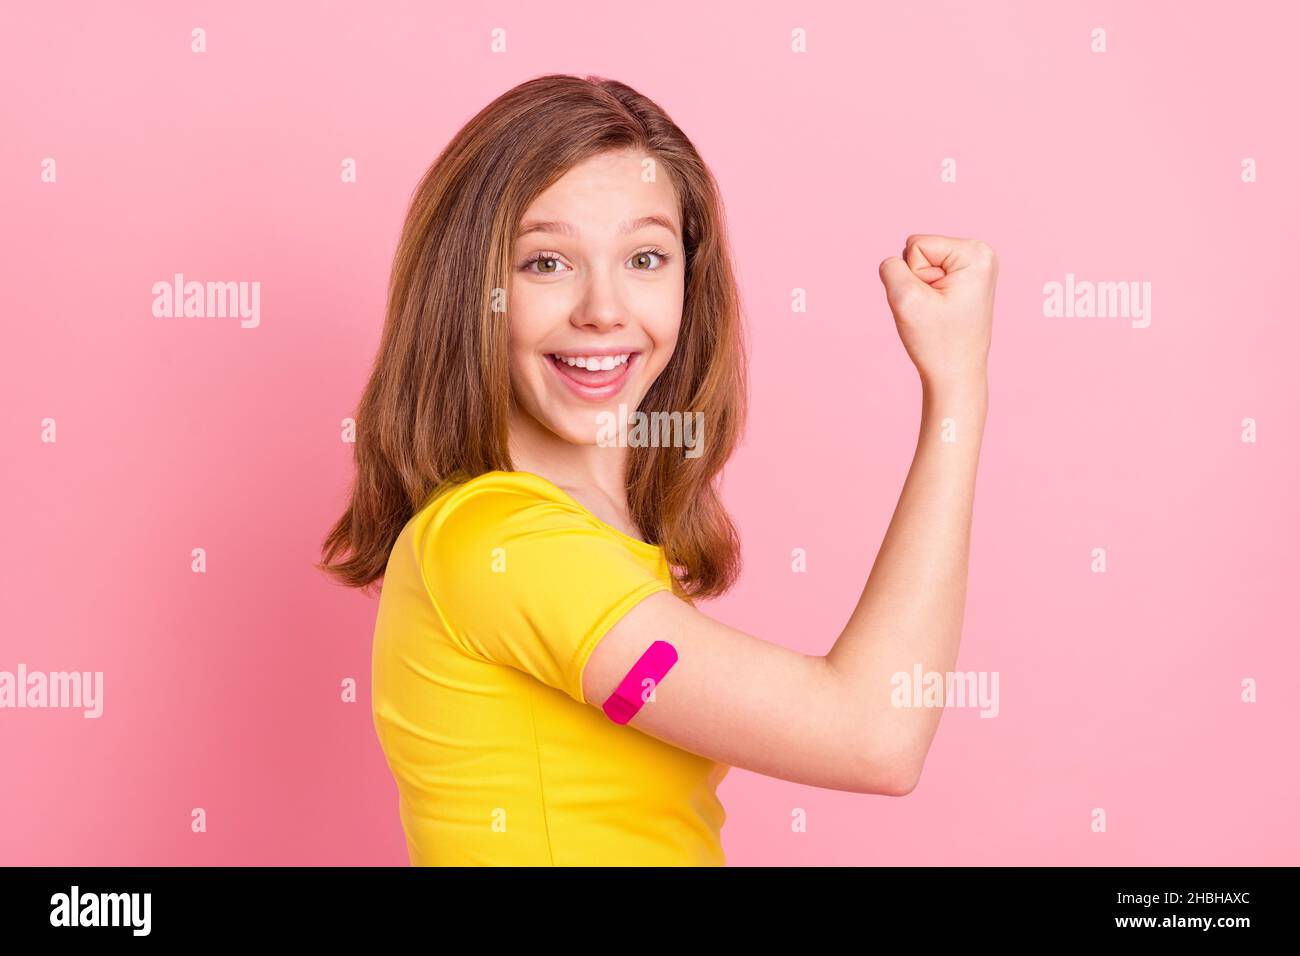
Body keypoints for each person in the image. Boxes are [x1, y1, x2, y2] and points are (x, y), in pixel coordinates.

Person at [318, 73, 998, 866]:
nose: (603, 309)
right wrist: (957, 388)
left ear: (688, 280)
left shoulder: (578, 539)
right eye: (546, 263)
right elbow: (874, 735)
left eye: (645, 256)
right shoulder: (503, 546)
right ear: (471, 289)